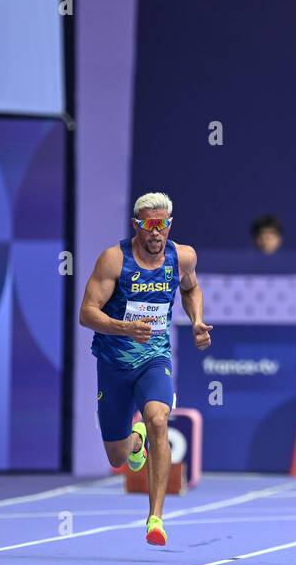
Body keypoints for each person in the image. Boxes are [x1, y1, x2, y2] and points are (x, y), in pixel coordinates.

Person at [79, 192, 212, 547]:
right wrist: (124, 328)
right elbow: (87, 313)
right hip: (114, 363)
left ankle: (156, 518)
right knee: (118, 456)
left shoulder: (182, 256)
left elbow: (191, 288)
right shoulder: (113, 260)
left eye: (163, 224)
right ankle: (134, 441)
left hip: (154, 359)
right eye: (150, 225)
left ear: (170, 225)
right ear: (137, 226)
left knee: (158, 418)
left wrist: (197, 320)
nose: (157, 232)